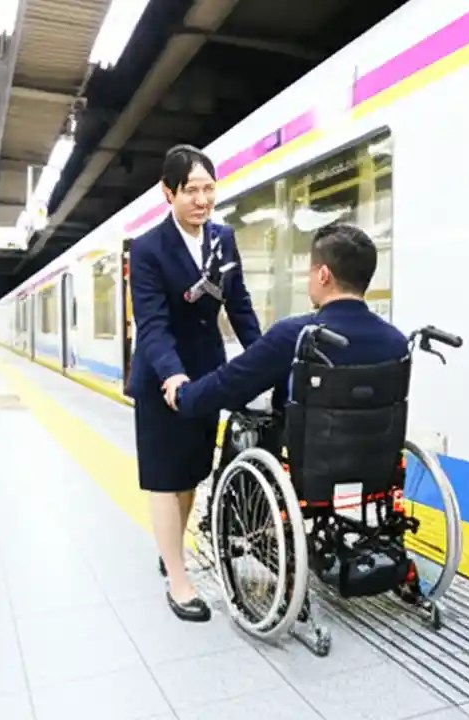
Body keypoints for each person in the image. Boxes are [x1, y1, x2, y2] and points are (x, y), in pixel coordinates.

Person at [126, 144, 262, 622]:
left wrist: (263, 357)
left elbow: (239, 305)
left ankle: (172, 550)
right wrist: (173, 375)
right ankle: (178, 580)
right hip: (163, 379)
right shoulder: (146, 249)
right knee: (166, 478)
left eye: (209, 189)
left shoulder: (223, 239)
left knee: (193, 473)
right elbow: (152, 323)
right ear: (169, 192)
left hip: (207, 376)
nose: (203, 200)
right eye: (192, 191)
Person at [167, 222, 406, 422]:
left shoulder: (297, 336)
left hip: (310, 468)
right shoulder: (396, 343)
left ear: (323, 275)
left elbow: (229, 384)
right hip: (377, 466)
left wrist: (183, 396)